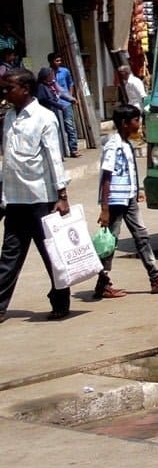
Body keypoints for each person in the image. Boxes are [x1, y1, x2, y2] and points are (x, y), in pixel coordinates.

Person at [0, 70, 73, 321]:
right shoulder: (10, 117)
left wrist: (62, 195)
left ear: (25, 89)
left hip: (42, 200)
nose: (6, 93)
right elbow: (8, 159)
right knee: (9, 255)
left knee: (52, 255)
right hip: (15, 199)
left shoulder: (45, 118)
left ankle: (61, 301)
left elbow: (54, 158)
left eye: (9, 88)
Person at [92, 104, 158, 299]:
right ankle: (102, 283)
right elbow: (106, 176)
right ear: (124, 124)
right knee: (110, 242)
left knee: (141, 236)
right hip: (115, 200)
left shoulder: (126, 144)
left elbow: (129, 171)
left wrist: (137, 190)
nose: (138, 124)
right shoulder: (113, 144)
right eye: (136, 120)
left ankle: (156, 278)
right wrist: (105, 208)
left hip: (129, 197)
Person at [48, 52, 80, 158]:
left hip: (66, 103)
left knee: (69, 125)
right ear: (51, 62)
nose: (59, 62)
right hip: (54, 104)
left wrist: (70, 97)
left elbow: (70, 84)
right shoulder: (48, 73)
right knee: (56, 127)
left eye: (60, 60)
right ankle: (59, 151)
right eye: (57, 60)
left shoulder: (65, 71)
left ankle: (73, 149)